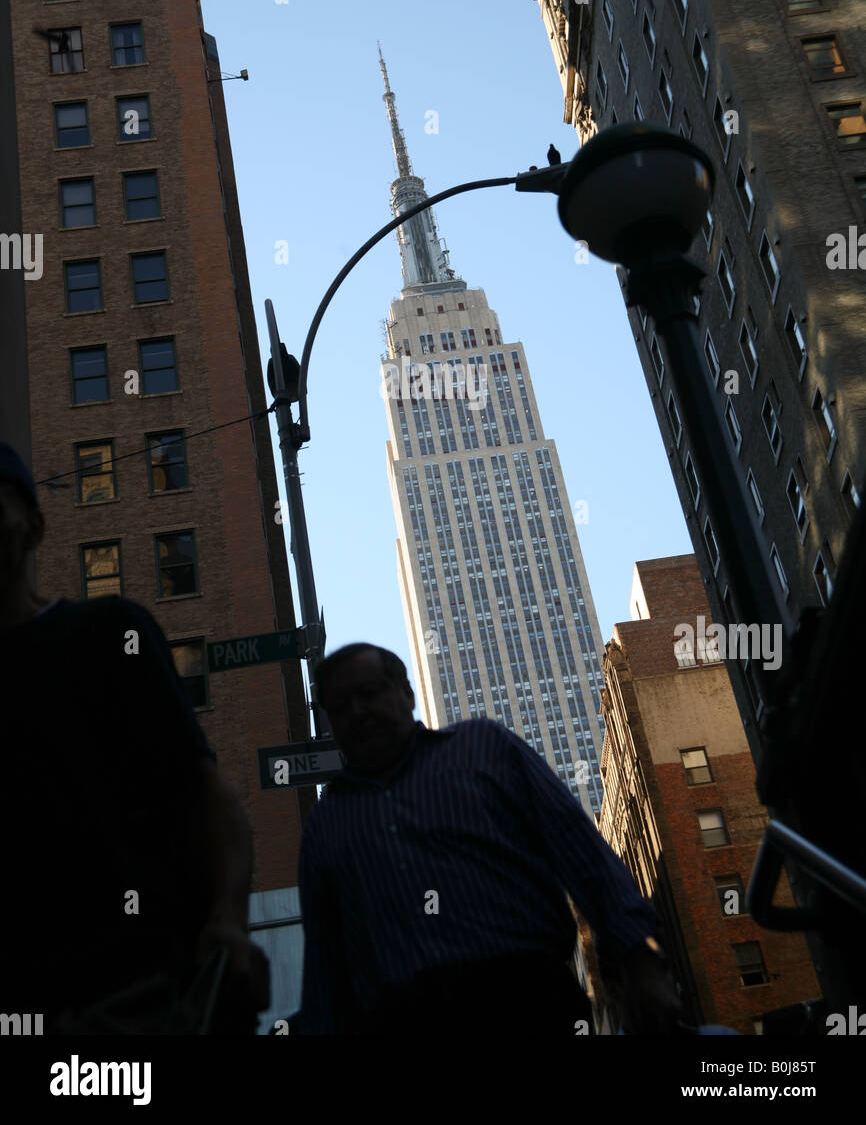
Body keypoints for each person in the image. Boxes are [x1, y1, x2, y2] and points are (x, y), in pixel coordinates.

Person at [0, 443, 269, 1033]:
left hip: (140, 993)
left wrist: (227, 919)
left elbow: (207, 794)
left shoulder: (109, 634)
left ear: (35, 527)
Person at [295, 641, 684, 1035]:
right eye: (341, 707)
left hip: (530, 1002)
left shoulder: (484, 749)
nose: (357, 712)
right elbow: (324, 965)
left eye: (369, 694)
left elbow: (584, 855)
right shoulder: (326, 824)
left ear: (407, 693)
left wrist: (643, 961)